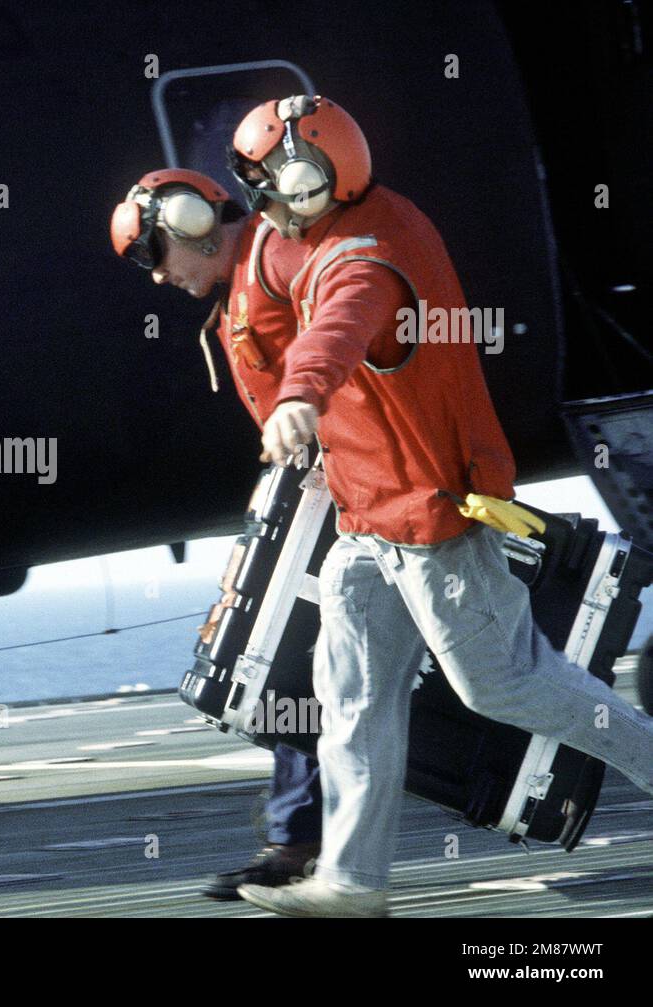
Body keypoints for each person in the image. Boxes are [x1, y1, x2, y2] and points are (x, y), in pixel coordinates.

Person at [199, 94, 653, 917]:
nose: (262, 213)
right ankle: (352, 883)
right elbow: (272, 271)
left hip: (430, 520)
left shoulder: (368, 258)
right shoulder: (322, 223)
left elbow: (340, 325)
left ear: (309, 185)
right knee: (352, 700)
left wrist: (299, 394)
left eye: (271, 193)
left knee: (509, 686)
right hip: (366, 522)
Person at [110, 167, 329, 899]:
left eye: (153, 253)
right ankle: (304, 846)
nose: (157, 277)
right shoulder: (246, 283)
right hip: (321, 497)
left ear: (191, 221)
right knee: (298, 668)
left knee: (303, 665)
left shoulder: (275, 259)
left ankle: (308, 849)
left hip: (349, 499)